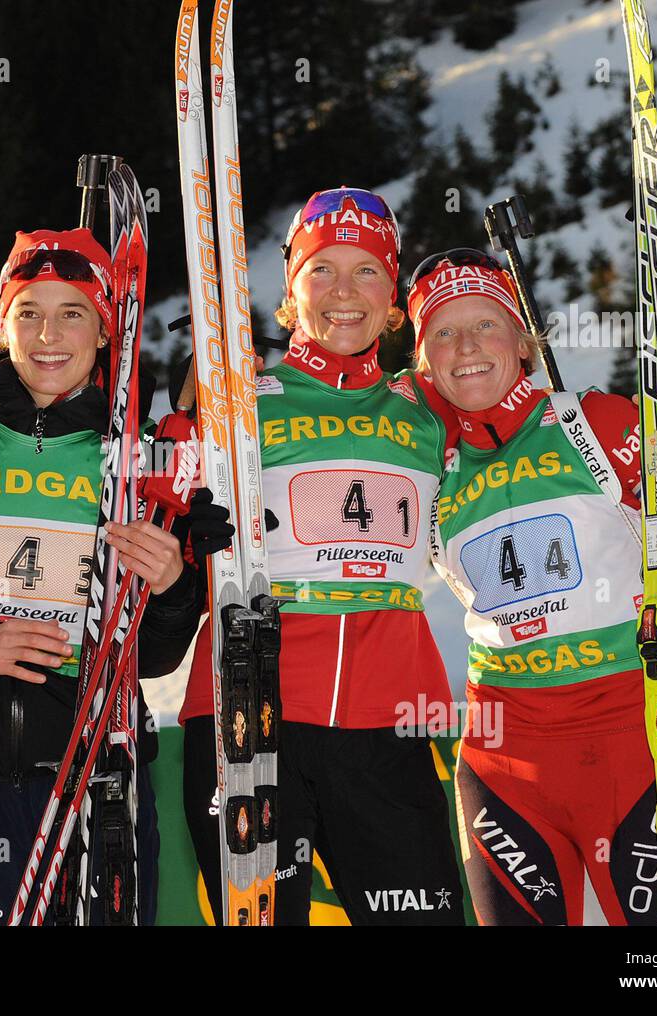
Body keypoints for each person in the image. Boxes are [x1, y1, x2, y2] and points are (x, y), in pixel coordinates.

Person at [408, 248, 657, 925]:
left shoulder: (599, 424)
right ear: (424, 359)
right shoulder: (423, 457)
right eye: (442, 333)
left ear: (523, 338)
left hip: (641, 743)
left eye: (485, 324)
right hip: (503, 766)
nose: (466, 347)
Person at [0, 227, 220, 926]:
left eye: (73, 312)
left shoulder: (134, 455)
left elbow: (154, 657)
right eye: (28, 312)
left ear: (107, 331)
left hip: (102, 770)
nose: (50, 334)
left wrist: (172, 587)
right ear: (2, 324)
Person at [180, 188, 465, 925]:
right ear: (290, 295)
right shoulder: (238, 402)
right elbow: (153, 533)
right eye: (322, 271)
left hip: (391, 724)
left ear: (396, 301)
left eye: (367, 272)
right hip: (249, 714)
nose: (345, 292)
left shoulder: (434, 414)